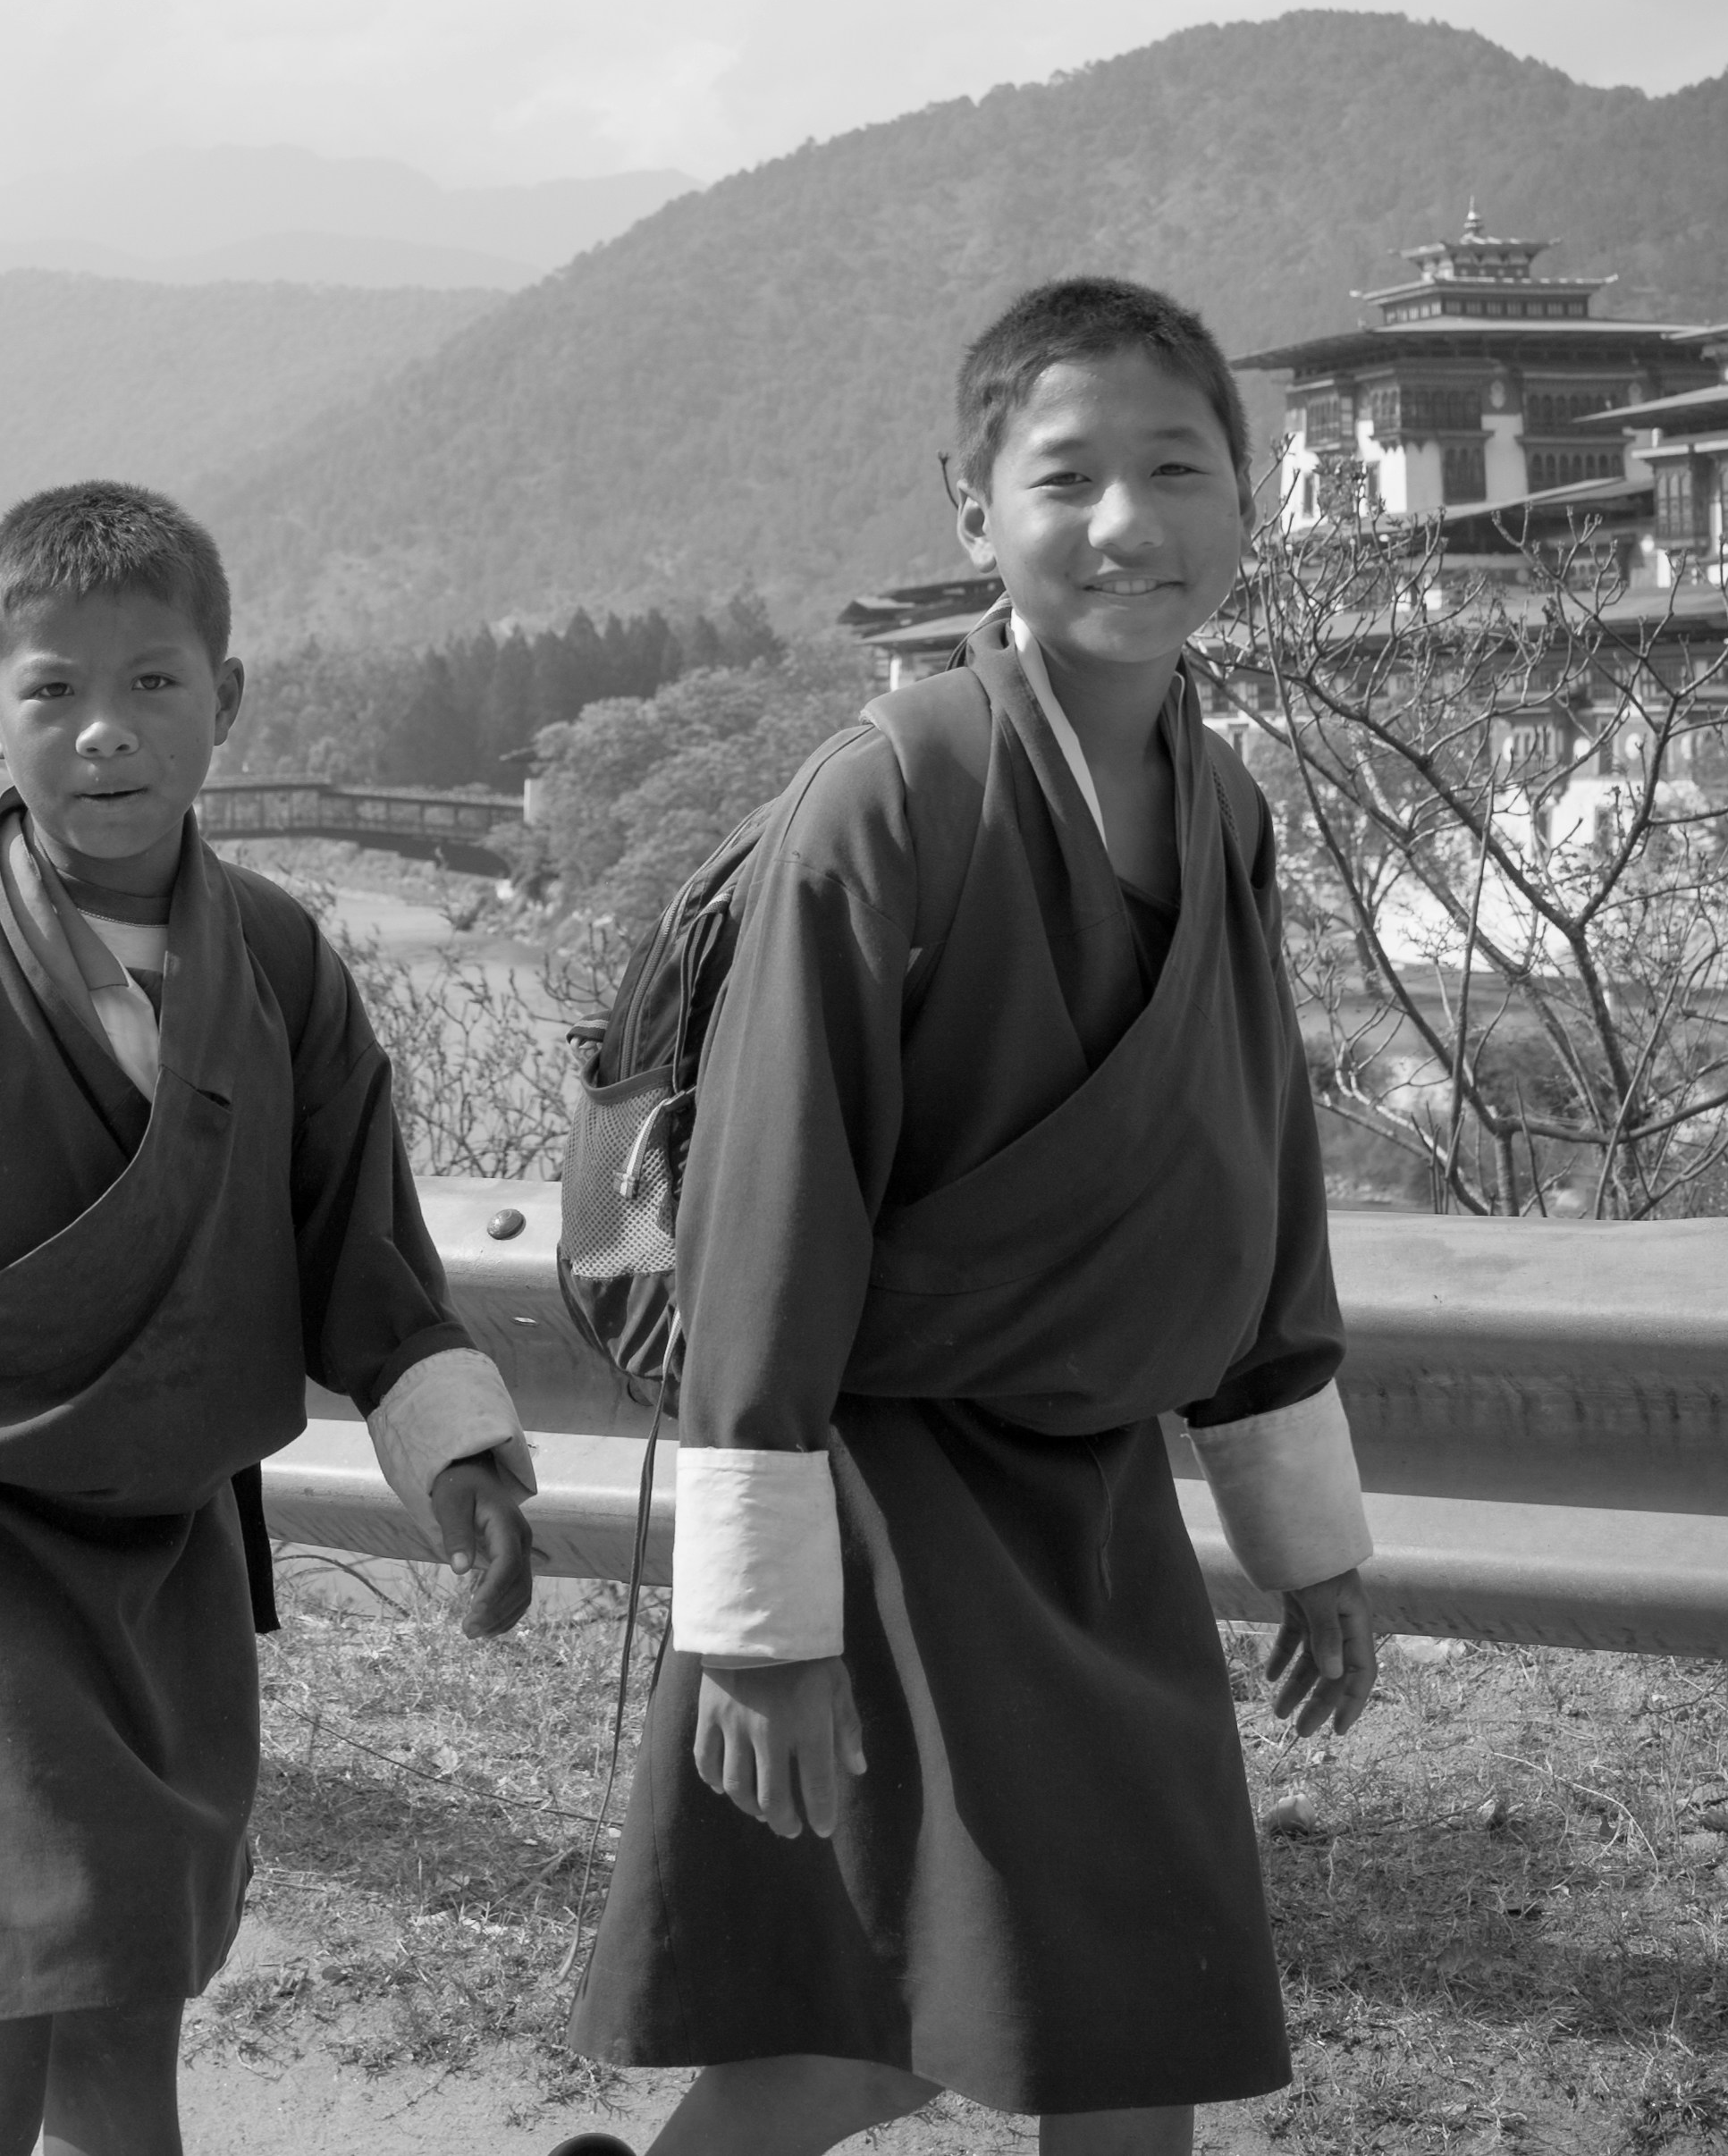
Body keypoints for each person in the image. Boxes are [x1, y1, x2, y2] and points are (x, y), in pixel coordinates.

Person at [561, 278, 1383, 2156]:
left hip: (1097, 1511)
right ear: (974, 515)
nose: (1127, 520)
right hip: (884, 1497)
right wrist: (765, 1621)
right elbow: (771, 1215)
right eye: (1067, 473)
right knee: (864, 2036)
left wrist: (1302, 1525)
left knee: (1129, 2004)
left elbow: (1251, 1166)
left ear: (1249, 508)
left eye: (1177, 468)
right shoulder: (894, 792)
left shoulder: (1226, 805)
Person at [0, 479, 540, 2156]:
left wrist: (458, 1467)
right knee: (6, 1972)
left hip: (170, 1545)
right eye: (52, 689)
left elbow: (365, 1251)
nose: (105, 733)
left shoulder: (284, 962)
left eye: (155, 682)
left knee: (135, 1964)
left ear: (230, 697)